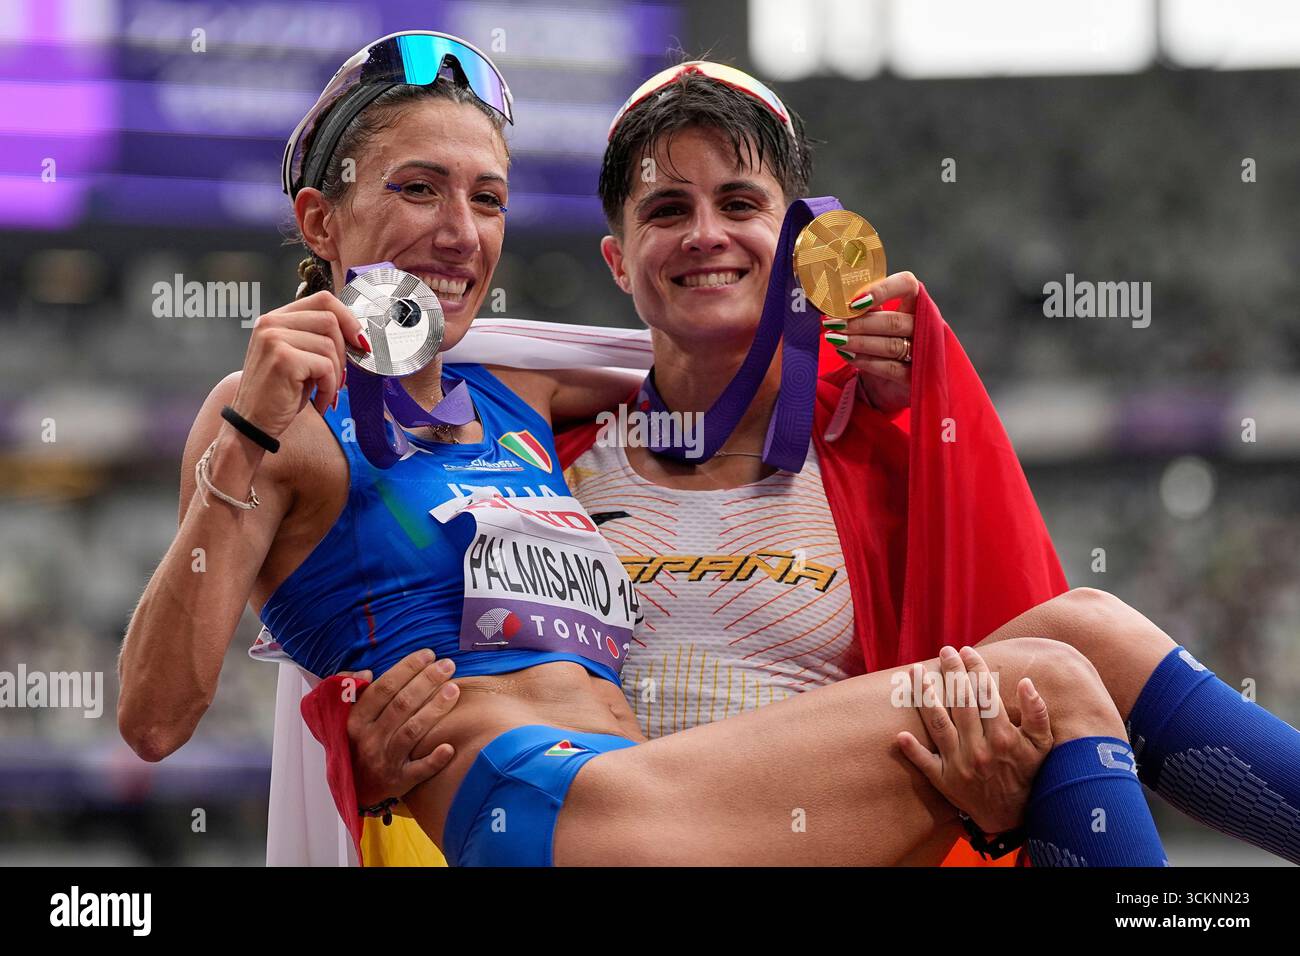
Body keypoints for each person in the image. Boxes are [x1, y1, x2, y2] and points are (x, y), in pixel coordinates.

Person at [339, 58, 1300, 867]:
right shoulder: (542, 448)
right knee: (1058, 664)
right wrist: (364, 759)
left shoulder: (872, 446)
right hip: (633, 831)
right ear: (617, 262)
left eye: (741, 203)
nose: (706, 234)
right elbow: (382, 580)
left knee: (1090, 633)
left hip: (834, 830)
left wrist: (999, 783)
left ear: (802, 244)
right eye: (668, 208)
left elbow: (986, 636)